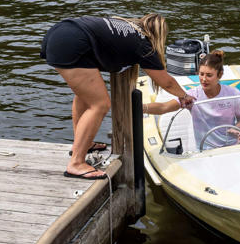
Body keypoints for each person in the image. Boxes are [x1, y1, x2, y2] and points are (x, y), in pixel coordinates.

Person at [41, 13, 195, 179]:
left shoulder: (126, 29)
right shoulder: (143, 45)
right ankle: (76, 163)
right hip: (72, 42)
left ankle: (82, 145)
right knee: (100, 104)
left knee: (85, 97)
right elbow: (167, 82)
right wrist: (184, 96)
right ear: (159, 35)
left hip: (58, 33)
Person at [144, 50, 240, 149]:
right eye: (201, 74)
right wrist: (142, 108)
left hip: (236, 145)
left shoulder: (233, 93)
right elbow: (164, 107)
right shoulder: (191, 97)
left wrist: (237, 128)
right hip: (207, 149)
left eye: (209, 75)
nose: (203, 79)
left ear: (219, 75)